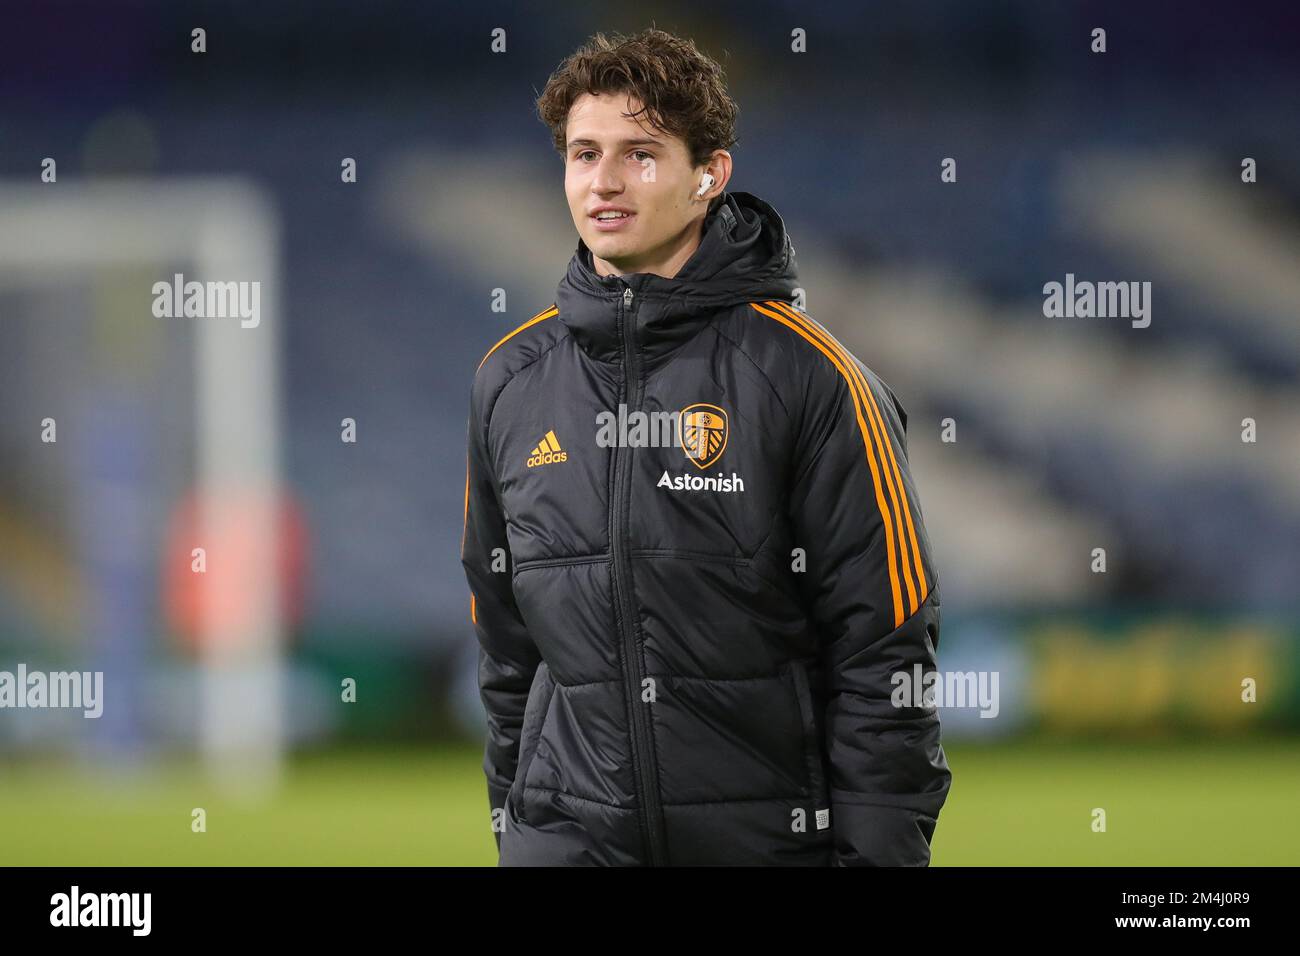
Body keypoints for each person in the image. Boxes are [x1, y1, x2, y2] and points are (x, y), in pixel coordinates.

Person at [461, 27, 951, 865]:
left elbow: (884, 654)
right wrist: (520, 833)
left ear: (709, 175)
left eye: (640, 154)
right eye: (583, 154)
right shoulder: (510, 382)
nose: (604, 181)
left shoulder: (814, 378)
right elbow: (508, 657)